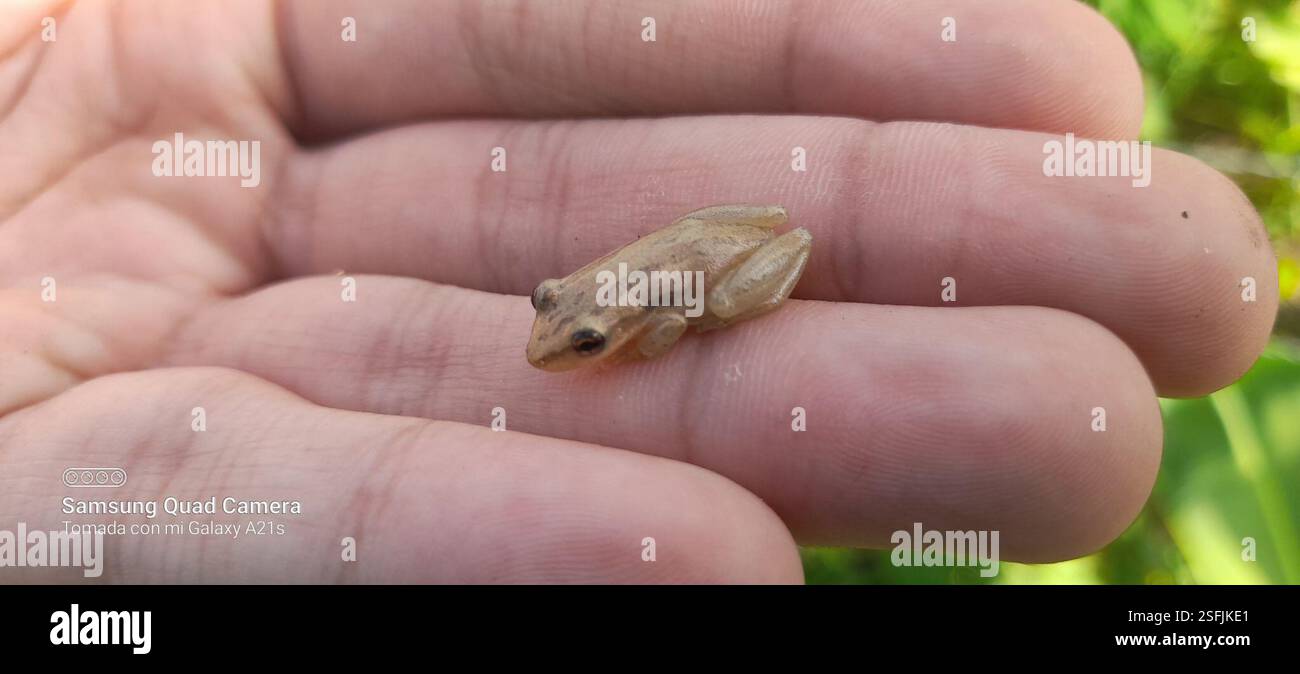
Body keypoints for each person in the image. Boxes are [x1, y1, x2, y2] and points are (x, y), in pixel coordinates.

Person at [0, 0, 1277, 583]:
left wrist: (658, 317)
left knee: (734, 296)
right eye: (563, 324)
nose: (562, 340)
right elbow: (597, 304)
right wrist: (596, 313)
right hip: (686, 243)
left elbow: (691, 291)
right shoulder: (582, 310)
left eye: (578, 337)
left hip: (735, 262)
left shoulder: (645, 322)